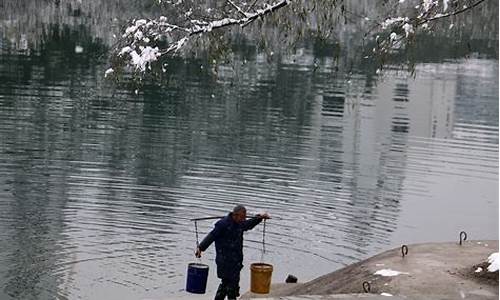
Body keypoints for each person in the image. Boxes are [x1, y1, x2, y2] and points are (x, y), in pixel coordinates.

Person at [195, 205, 270, 300]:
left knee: (227, 284)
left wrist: (259, 218)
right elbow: (211, 236)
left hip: (236, 261)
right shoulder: (222, 224)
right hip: (224, 261)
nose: (243, 219)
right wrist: (200, 248)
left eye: (244, 217)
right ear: (235, 215)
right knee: (231, 285)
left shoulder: (240, 223)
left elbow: (248, 224)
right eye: (242, 217)